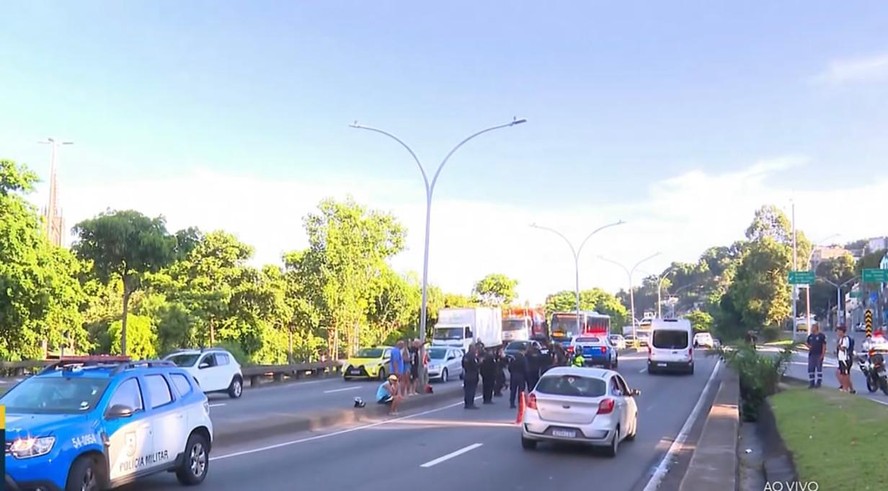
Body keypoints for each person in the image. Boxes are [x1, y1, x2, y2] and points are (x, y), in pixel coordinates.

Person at [835, 327, 856, 394]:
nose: (837, 333)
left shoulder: (845, 339)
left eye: (839, 331)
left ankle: (845, 388)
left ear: (842, 331)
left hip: (845, 359)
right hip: (841, 359)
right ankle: (849, 388)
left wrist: (838, 346)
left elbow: (843, 348)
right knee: (841, 373)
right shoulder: (841, 339)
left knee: (845, 374)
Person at [806, 324, 827, 388]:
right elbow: (808, 345)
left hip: (818, 354)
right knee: (811, 369)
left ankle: (818, 382)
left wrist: (822, 354)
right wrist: (808, 346)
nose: (812, 328)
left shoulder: (821, 336)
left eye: (813, 327)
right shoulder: (810, 336)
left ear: (816, 328)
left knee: (819, 369)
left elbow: (824, 345)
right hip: (812, 354)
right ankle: (811, 383)